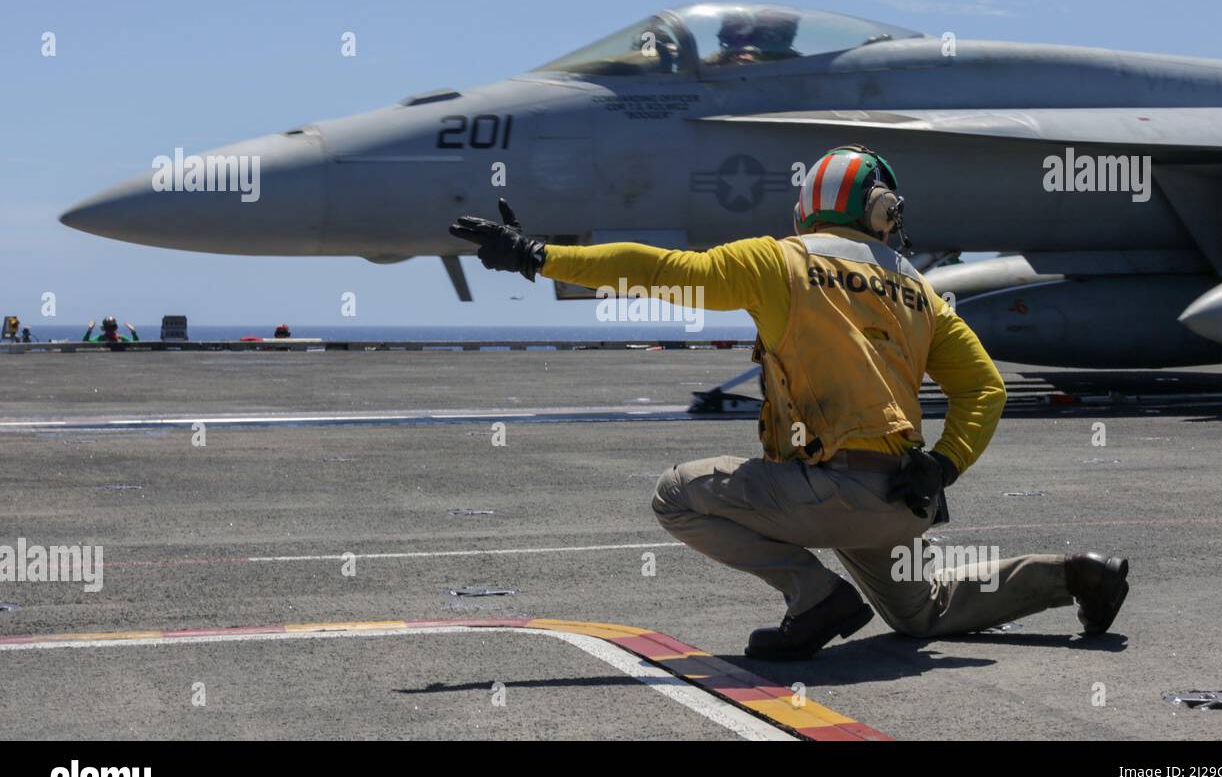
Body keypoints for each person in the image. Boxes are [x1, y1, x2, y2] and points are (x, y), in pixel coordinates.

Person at [449, 146, 1130, 661]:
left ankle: (816, 598)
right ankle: (1076, 575)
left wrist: (539, 256)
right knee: (921, 614)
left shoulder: (779, 260)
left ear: (812, 205)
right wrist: (945, 464)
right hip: (900, 499)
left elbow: (661, 271)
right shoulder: (921, 291)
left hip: (829, 492)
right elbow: (985, 387)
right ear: (884, 212)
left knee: (675, 495)